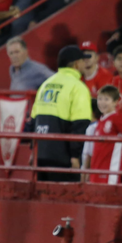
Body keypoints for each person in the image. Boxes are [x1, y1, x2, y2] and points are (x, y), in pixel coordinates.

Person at [30, 45, 94, 180]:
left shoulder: (45, 85)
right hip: (63, 158)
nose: (85, 63)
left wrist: (33, 149)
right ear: (77, 64)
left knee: (42, 196)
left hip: (40, 154)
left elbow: (33, 121)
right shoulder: (78, 87)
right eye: (83, 60)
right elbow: (80, 125)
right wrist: (75, 156)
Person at [85, 85, 122, 185]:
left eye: (106, 99)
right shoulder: (101, 121)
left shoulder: (116, 119)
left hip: (110, 171)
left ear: (115, 102)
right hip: (97, 169)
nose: (102, 102)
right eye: (100, 99)